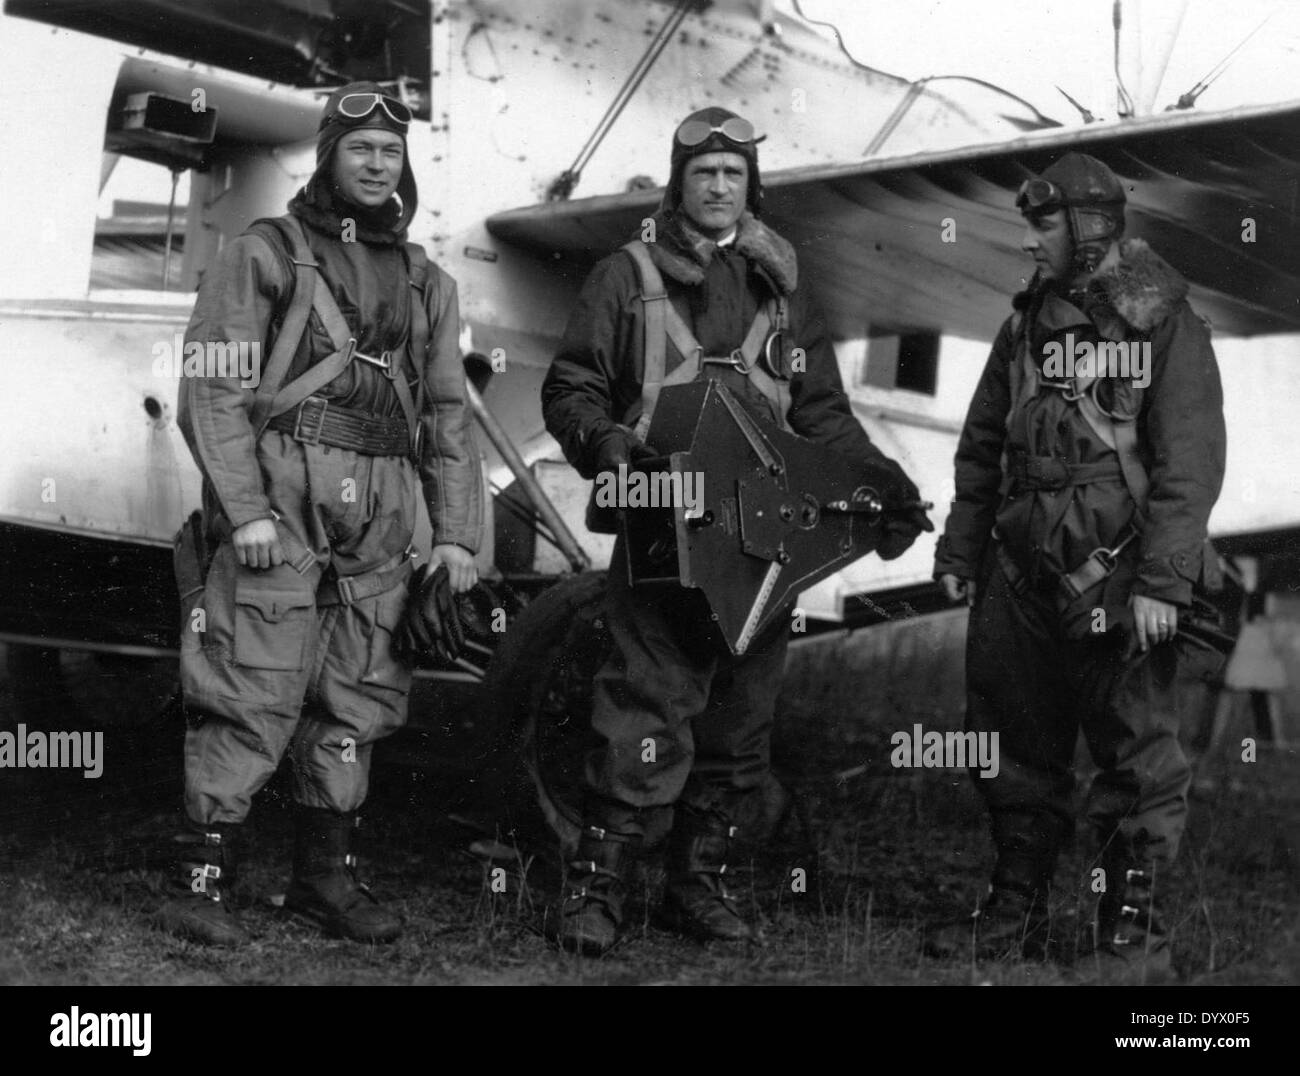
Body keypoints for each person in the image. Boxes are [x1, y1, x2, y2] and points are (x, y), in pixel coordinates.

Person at [540, 107, 931, 955]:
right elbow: (571, 390)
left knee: (740, 721)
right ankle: (598, 890)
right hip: (660, 526)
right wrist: (613, 450)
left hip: (763, 539)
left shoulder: (784, 292)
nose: (719, 187)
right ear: (678, 183)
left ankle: (698, 887)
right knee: (643, 703)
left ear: (752, 185)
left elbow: (823, 414)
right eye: (703, 172)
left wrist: (878, 484)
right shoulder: (626, 275)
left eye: (734, 173)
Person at [159, 82, 482, 947]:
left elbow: (448, 417)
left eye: (390, 152)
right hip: (284, 499)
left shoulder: (428, 281)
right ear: (328, 154)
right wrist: (246, 509)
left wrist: (455, 535)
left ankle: (322, 882)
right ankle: (202, 880)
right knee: (251, 687)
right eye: (359, 149)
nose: (377, 166)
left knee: (357, 696)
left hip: (383, 513)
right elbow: (213, 385)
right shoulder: (264, 251)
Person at [928, 152, 1227, 983]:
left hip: (1121, 582)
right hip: (1019, 577)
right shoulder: (1023, 323)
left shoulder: (1163, 323)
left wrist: (1165, 582)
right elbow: (985, 443)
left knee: (1136, 763)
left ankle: (1131, 941)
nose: (1028, 242)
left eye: (1043, 223)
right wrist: (961, 548)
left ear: (1091, 226)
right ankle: (1013, 910)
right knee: (1010, 748)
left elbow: (1190, 462)